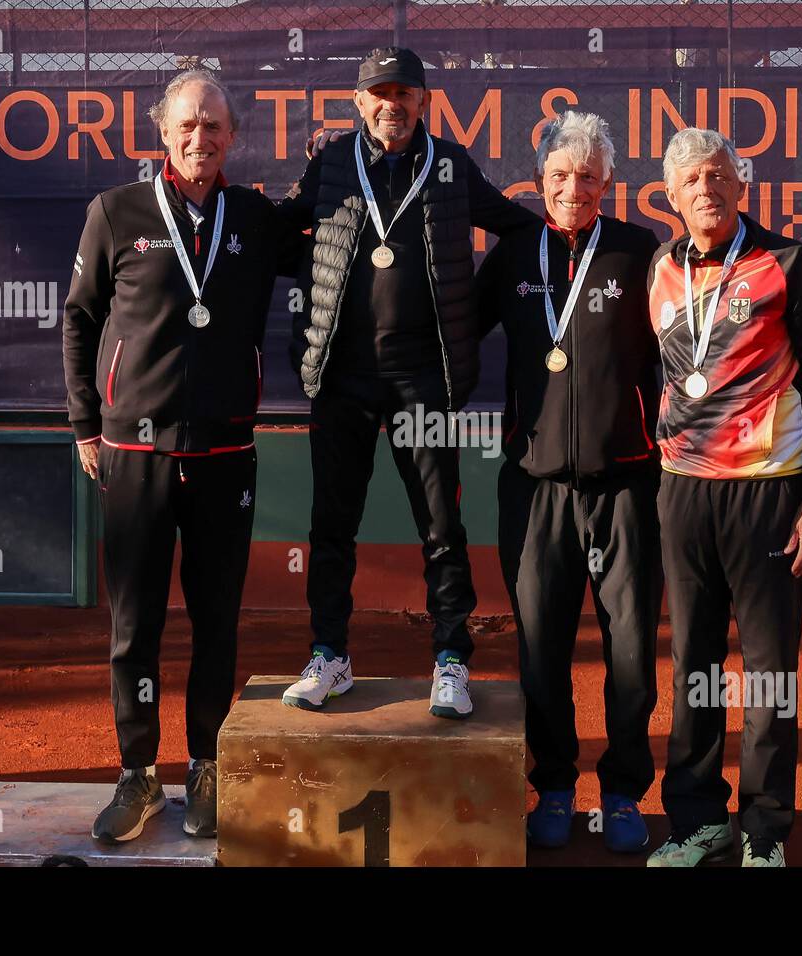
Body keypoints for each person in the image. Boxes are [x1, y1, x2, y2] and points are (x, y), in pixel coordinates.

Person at [63, 69, 297, 843]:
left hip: (226, 452)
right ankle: (138, 774)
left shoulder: (256, 219)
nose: (202, 138)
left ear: (234, 137)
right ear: (163, 131)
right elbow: (79, 319)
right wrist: (85, 427)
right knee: (134, 625)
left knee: (217, 621)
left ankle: (205, 766)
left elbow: (332, 237)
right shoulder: (117, 212)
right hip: (134, 454)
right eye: (188, 125)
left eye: (216, 127)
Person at [275, 47, 539, 718]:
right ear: (359, 102)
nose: (393, 102)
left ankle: (451, 660)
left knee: (442, 526)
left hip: (426, 380)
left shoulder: (450, 165)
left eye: (406, 92)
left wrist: (470, 315)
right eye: (379, 92)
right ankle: (329, 656)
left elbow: (517, 229)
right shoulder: (332, 164)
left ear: (424, 101)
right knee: (332, 527)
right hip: (343, 380)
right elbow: (285, 233)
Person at [644, 128, 802, 868]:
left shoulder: (785, 261)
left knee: (768, 672)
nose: (707, 188)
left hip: (768, 493)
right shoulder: (659, 270)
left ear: (741, 185)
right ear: (670, 195)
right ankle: (698, 822)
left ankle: (765, 832)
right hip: (684, 494)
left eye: (719, 174)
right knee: (693, 662)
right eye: (692, 179)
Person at [475, 111, 663, 853]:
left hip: (628, 484)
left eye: (587, 176)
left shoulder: (637, 251)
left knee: (629, 650)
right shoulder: (515, 254)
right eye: (560, 175)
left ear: (607, 182)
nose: (573, 188)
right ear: (540, 181)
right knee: (540, 646)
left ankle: (622, 791)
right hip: (535, 483)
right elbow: (457, 329)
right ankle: (552, 783)